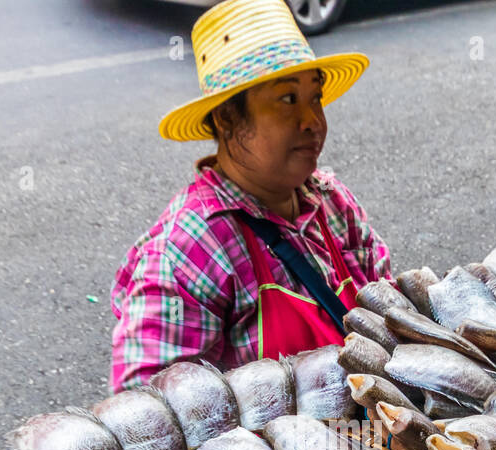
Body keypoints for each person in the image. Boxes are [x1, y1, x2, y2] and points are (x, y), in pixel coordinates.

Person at [109, 0, 393, 391]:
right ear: (226, 117)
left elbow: (390, 312)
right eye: (288, 99)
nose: (313, 121)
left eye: (315, 97)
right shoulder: (187, 251)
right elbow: (148, 420)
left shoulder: (332, 202)